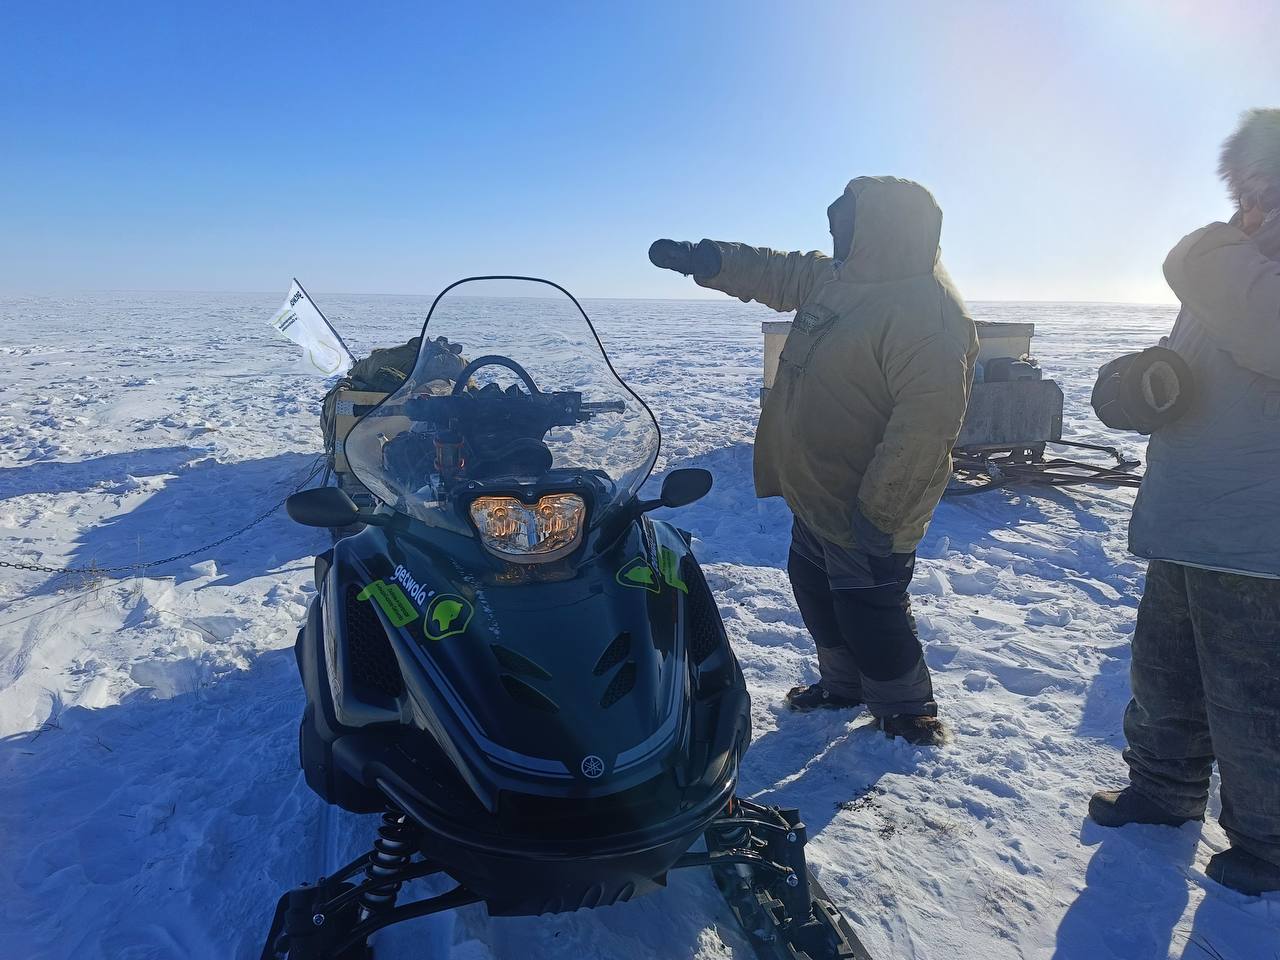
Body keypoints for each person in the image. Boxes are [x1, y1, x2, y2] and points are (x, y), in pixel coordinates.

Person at [649, 177, 977, 746]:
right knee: (817, 589)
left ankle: (906, 709)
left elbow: (924, 431)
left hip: (867, 498)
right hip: (816, 486)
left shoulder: (927, 312)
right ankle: (843, 684)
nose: (834, 236)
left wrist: (881, 514)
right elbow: (780, 271)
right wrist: (710, 259)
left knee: (870, 606)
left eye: (844, 225)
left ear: (881, 230)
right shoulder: (840, 278)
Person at [1089, 109, 1280, 896]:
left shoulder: (1229, 260)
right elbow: (1219, 364)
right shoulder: (1244, 260)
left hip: (1257, 531)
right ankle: (1164, 793)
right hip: (1191, 511)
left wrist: (1214, 241)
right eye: (1245, 183)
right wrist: (1149, 388)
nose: (1249, 200)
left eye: (1264, 181)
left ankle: (1269, 840)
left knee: (1253, 697)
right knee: (1164, 673)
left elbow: (1260, 323)